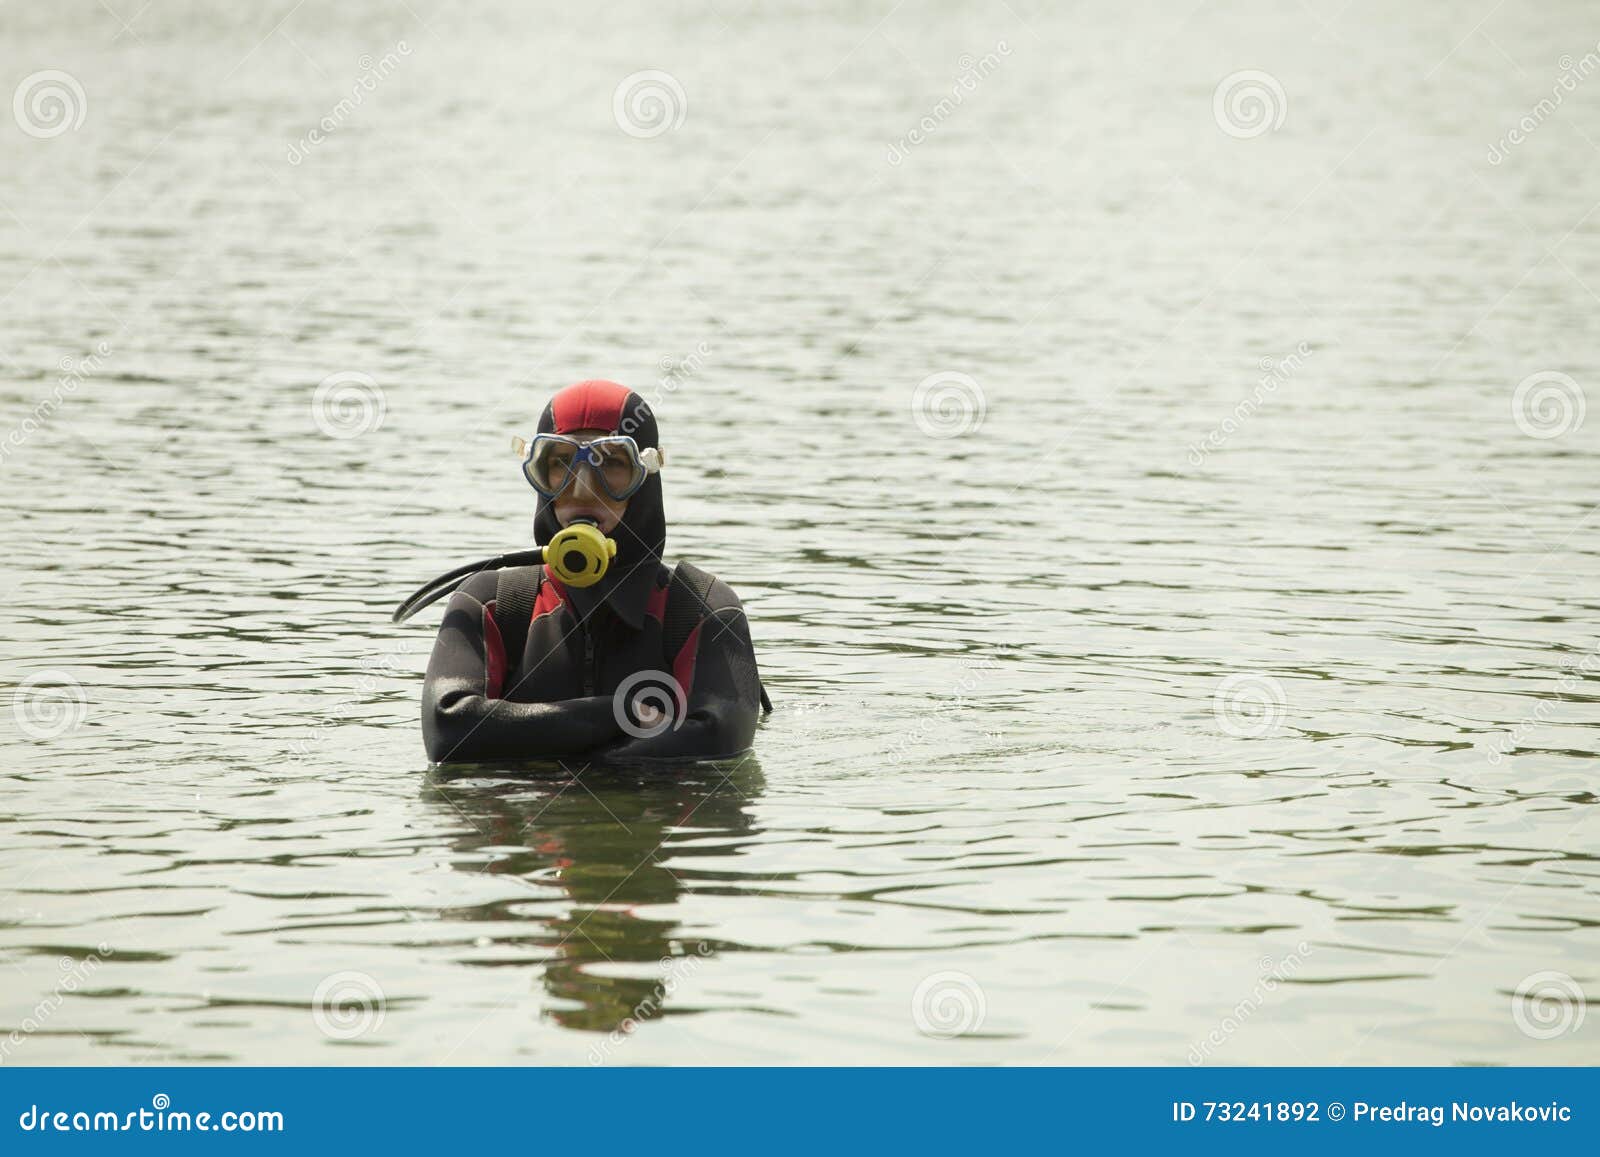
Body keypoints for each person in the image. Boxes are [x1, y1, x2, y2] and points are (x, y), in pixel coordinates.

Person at [419, 379, 768, 765]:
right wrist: (625, 712)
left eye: (612, 463)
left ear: (646, 477)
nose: (583, 489)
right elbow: (448, 732)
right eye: (560, 463)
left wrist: (520, 738)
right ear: (539, 476)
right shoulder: (492, 602)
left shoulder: (702, 608)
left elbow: (719, 741)